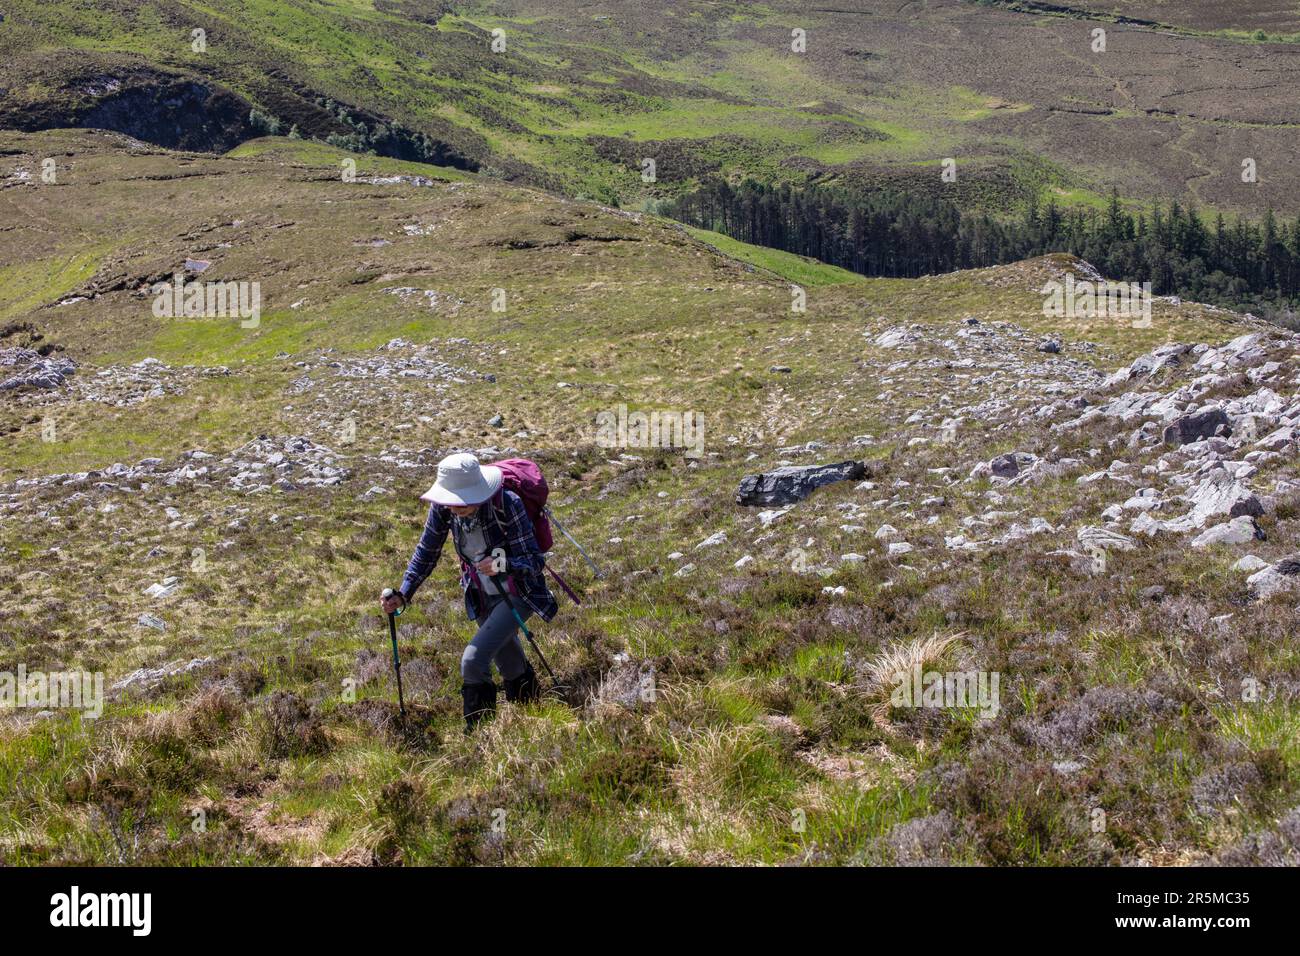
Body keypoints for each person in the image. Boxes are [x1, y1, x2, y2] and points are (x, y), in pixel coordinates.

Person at [381, 453, 558, 732]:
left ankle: (479, 738)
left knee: (473, 660)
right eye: (451, 501)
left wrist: (500, 564)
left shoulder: (506, 503)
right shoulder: (443, 508)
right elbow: (427, 551)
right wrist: (403, 593)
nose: (455, 508)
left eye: (462, 502)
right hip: (480, 594)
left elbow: (535, 562)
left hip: (519, 592)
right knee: (508, 659)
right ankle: (530, 721)